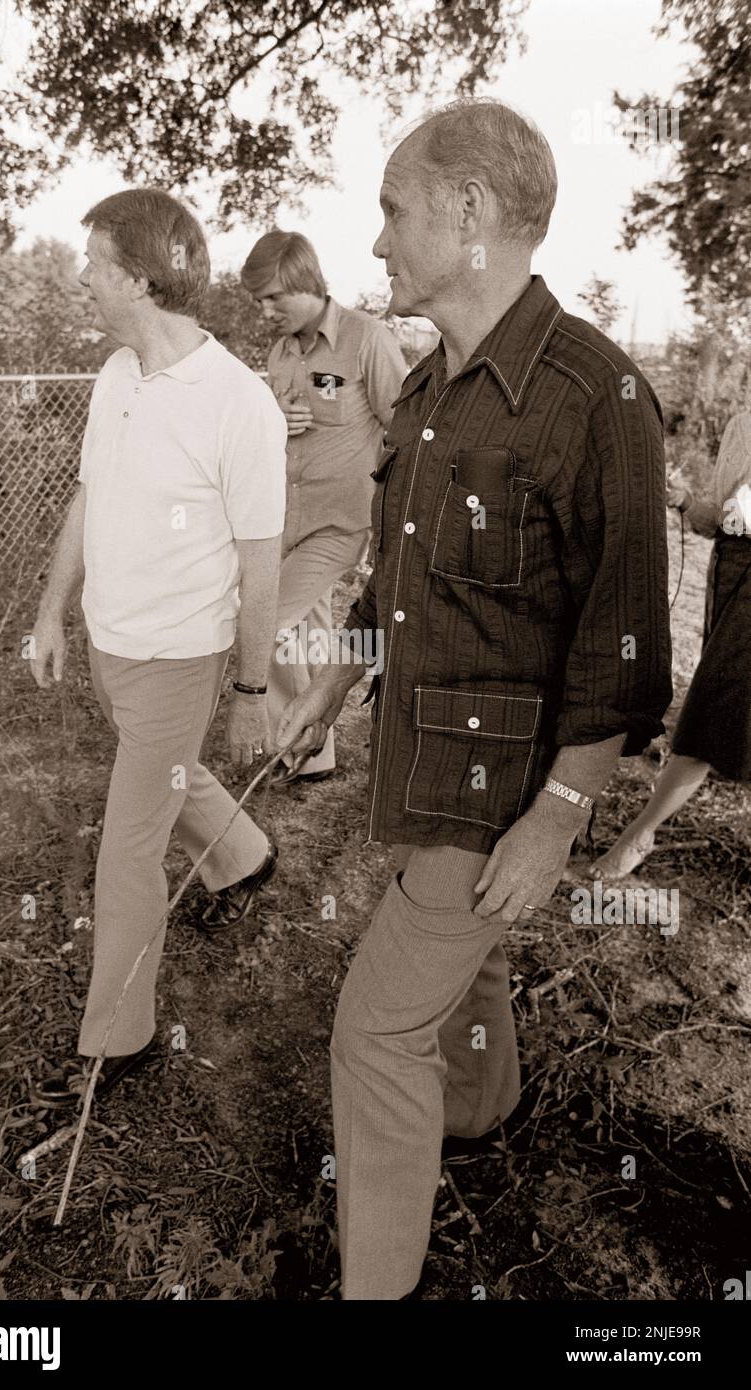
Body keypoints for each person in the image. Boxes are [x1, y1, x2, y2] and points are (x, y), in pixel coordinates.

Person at [277, 98, 674, 1300]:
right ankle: (484, 1101)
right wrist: (335, 687)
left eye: (392, 209)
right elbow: (396, 587)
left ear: (466, 212)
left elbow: (623, 647)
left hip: (499, 791)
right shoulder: (428, 390)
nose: (379, 240)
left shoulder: (597, 398)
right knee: (468, 963)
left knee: (375, 1031)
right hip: (423, 753)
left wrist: (558, 813)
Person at [28, 189, 287, 1102]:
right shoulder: (115, 376)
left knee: (128, 845)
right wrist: (54, 610)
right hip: (110, 643)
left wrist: (253, 694)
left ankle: (119, 1035)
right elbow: (90, 499)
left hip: (181, 658)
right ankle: (247, 856)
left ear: (138, 277)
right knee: (171, 772)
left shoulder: (238, 402)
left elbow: (262, 564)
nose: (82, 276)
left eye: (94, 261)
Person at [240, 231, 407, 784]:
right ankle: (313, 755)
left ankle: (274, 746)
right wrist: (274, 418)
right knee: (303, 634)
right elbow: (276, 431)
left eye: (274, 299)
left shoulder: (366, 338)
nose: (266, 311)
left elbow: (405, 430)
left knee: (262, 622)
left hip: (339, 522)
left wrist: (396, 520)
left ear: (307, 284)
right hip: (283, 518)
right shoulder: (280, 351)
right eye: (258, 301)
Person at [588, 410, 751, 879]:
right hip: (733, 575)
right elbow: (719, 518)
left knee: (711, 708)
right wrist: (681, 500)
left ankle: (639, 834)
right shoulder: (742, 425)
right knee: (719, 704)